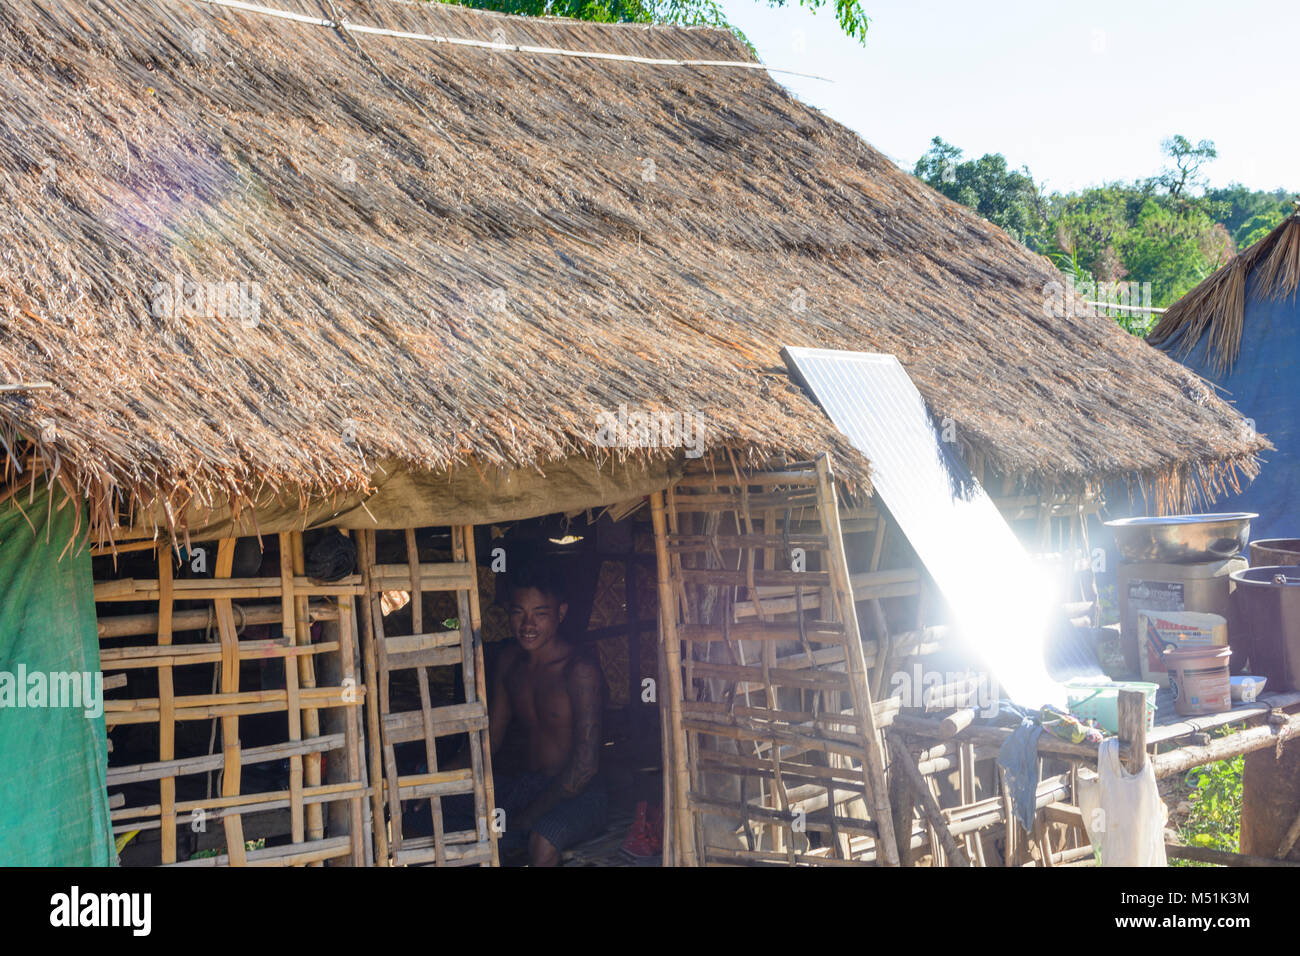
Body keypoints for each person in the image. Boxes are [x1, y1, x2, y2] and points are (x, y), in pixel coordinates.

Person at [485, 561, 608, 866]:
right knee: (429, 811)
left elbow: (585, 768)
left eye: (540, 614)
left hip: (579, 794)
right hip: (525, 786)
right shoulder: (509, 662)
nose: (528, 625)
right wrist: (437, 781)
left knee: (541, 839)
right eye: (518, 613)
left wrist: (528, 816)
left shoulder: (579, 671)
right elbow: (488, 742)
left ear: (560, 613)